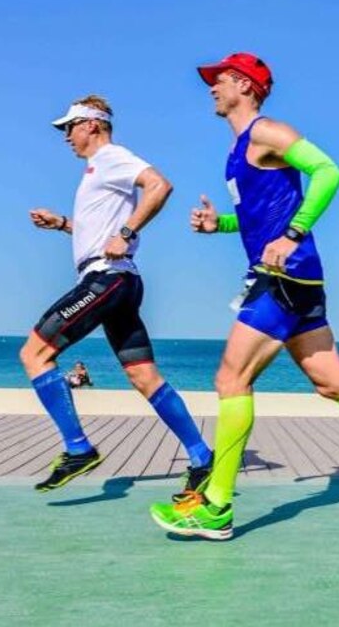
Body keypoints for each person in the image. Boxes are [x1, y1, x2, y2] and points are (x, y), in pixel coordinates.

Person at [149, 54, 339, 540]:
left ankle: (217, 506)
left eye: (219, 80)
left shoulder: (268, 131)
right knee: (331, 381)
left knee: (231, 377)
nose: (210, 88)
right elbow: (259, 218)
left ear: (244, 86)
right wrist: (220, 224)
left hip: (285, 275)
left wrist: (294, 233)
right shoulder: (238, 150)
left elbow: (329, 172)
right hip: (294, 276)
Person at [20, 95, 212, 493]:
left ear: (92, 124)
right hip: (118, 280)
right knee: (144, 377)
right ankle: (201, 456)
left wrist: (128, 233)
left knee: (34, 354)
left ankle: (78, 448)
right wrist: (61, 225)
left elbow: (160, 186)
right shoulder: (95, 170)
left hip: (106, 280)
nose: (65, 136)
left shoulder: (111, 157)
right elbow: (98, 235)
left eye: (69, 127)